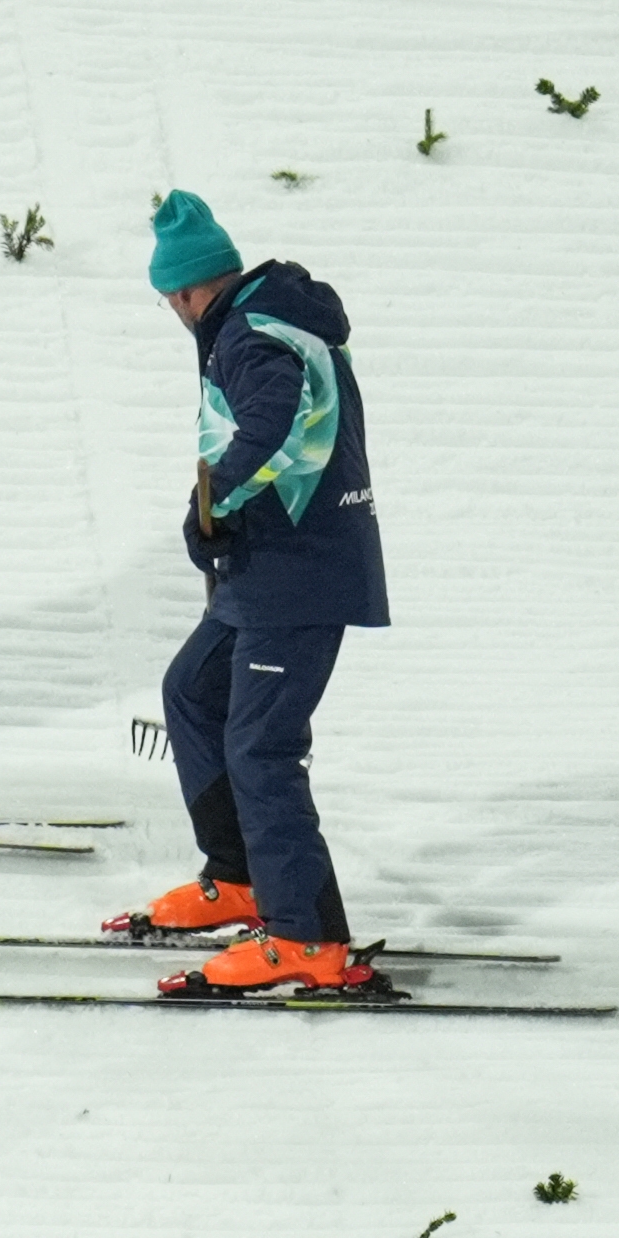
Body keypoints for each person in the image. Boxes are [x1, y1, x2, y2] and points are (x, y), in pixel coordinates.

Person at [133, 191, 398, 993]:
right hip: (266, 572)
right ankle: (244, 877)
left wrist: (211, 501)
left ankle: (308, 935)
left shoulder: (251, 336)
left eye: (168, 302)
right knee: (192, 691)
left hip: (298, 571)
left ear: (187, 291)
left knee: (262, 746)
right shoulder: (267, 321)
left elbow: (274, 422)